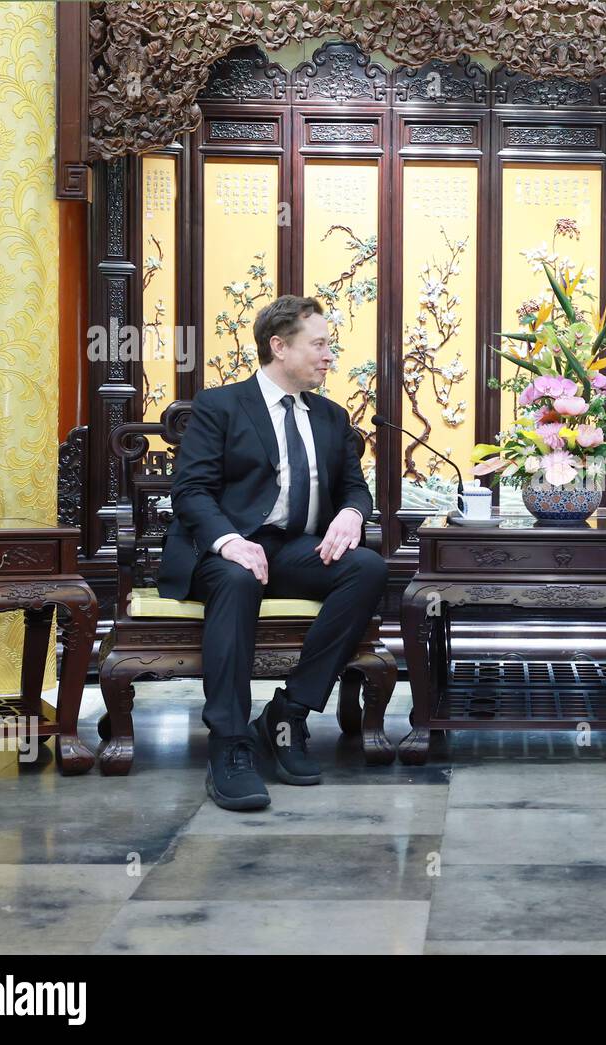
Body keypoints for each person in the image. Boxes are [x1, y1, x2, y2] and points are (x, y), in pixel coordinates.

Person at [159, 295, 388, 811]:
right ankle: (230, 744)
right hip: (224, 549)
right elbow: (190, 491)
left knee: (367, 568)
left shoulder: (330, 416)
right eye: (320, 344)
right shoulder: (220, 406)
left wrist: (353, 514)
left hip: (293, 550)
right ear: (279, 346)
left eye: (330, 345)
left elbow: (355, 488)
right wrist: (231, 542)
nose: (330, 355)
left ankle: (290, 712)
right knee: (239, 580)